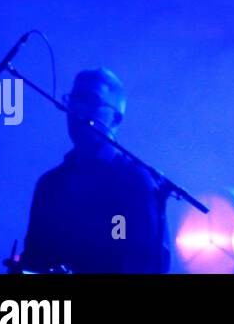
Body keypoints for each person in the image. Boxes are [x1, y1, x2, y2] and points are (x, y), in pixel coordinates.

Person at [21, 69, 169, 273]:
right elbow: (34, 257)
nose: (79, 109)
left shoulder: (134, 181)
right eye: (75, 100)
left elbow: (143, 260)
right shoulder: (50, 185)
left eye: (92, 101)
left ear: (116, 119)